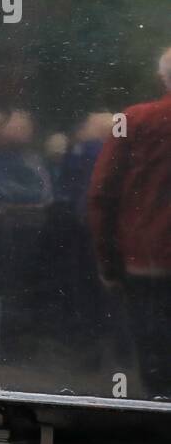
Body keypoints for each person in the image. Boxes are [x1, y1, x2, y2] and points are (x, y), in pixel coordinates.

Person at [87, 48, 171, 387]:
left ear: (163, 77)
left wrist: (108, 264)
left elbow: (101, 196)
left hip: (145, 263)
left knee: (155, 362)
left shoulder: (134, 120)